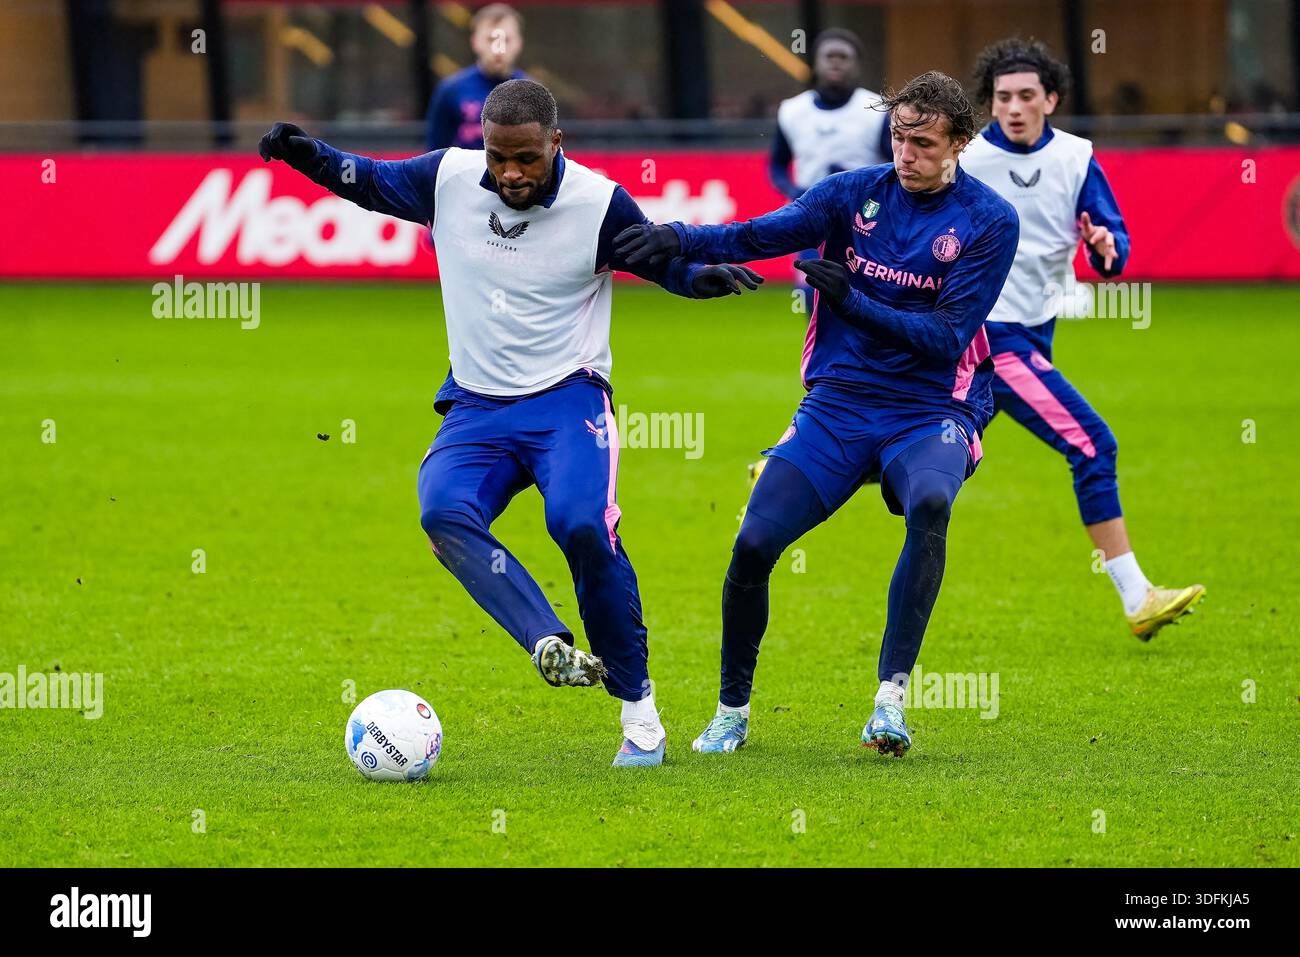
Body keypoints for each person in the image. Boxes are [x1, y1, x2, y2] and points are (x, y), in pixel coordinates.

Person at [260, 79, 762, 767]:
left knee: (583, 524)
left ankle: (639, 710)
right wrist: (305, 153)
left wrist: (697, 278)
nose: (510, 173)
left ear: (557, 143)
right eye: (499, 156)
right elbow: (368, 181)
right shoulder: (449, 177)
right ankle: (545, 640)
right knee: (442, 510)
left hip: (567, 401)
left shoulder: (598, 203)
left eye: (526, 158)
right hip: (477, 406)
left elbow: (660, 258)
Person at [616, 72, 1019, 758]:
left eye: (922, 142)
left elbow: (949, 336)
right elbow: (753, 235)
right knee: (752, 545)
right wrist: (672, 238)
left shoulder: (989, 220)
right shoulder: (850, 195)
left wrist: (854, 301)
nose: (906, 153)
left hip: (931, 405)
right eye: (898, 137)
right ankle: (731, 713)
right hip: (840, 403)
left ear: (958, 142)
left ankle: (889, 705)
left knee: (927, 499)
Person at [960, 38, 1204, 639]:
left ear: (1051, 99)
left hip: (1033, 335)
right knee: (1093, 445)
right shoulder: (965, 163)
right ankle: (1136, 596)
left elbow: (1116, 245)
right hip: (993, 338)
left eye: (1025, 96)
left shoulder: (1075, 157)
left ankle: (794, 464)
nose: (1013, 108)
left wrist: (1105, 249)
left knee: (939, 447)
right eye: (1001, 98)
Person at [425, 4, 526, 151]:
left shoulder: (534, 92)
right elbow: (434, 155)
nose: (498, 49)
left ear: (519, 43)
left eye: (506, 40)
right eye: (490, 39)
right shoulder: (451, 90)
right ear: (475, 42)